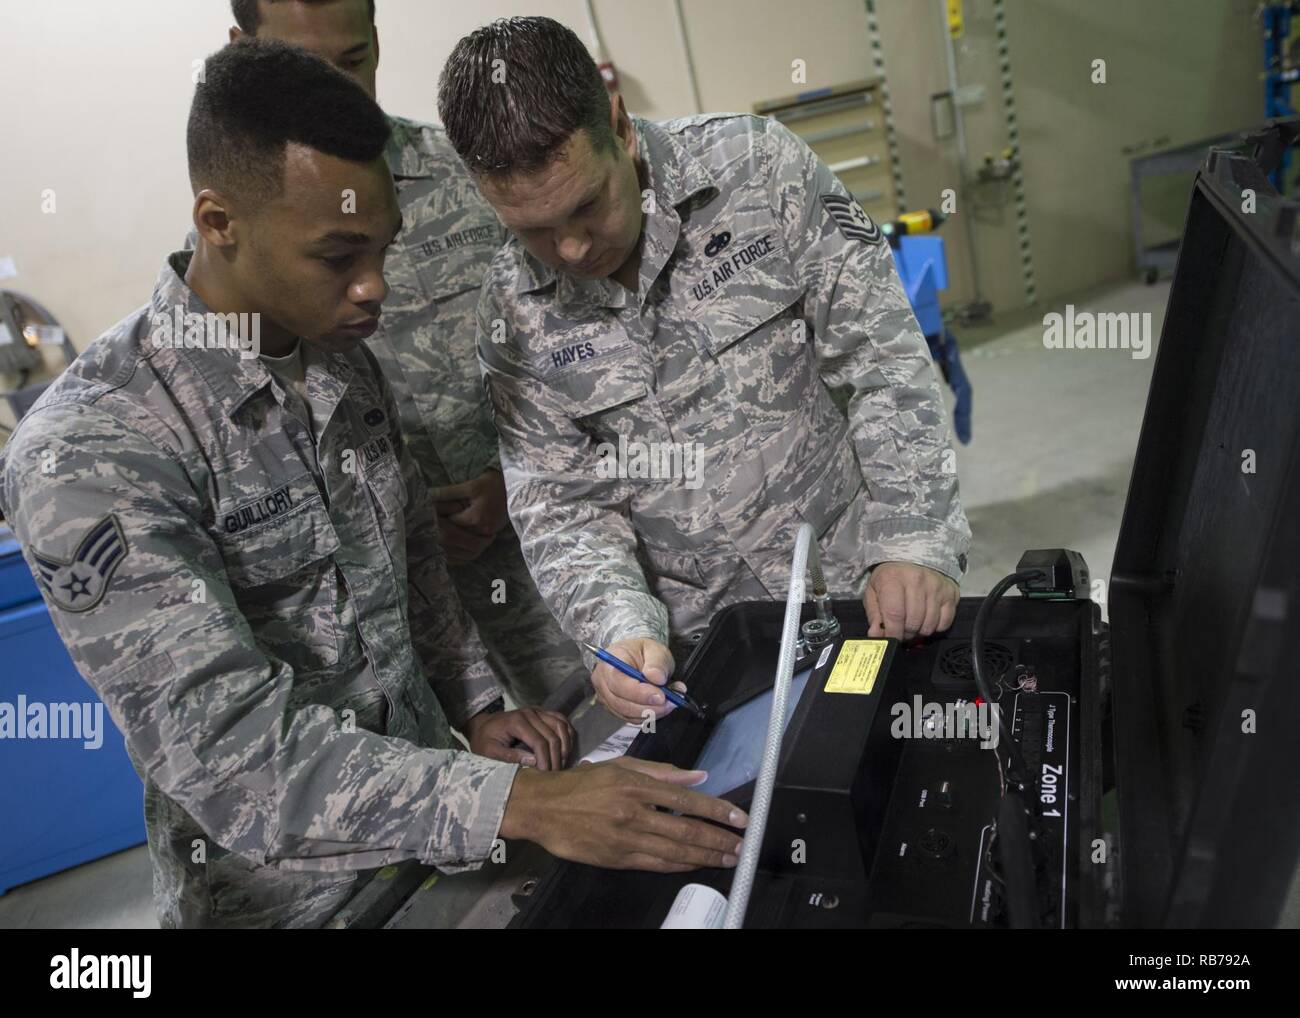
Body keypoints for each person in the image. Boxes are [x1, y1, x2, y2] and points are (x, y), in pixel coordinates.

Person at [0, 38, 746, 929]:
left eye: (383, 252)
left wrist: (472, 706)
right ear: (218, 220)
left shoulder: (340, 367)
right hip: (289, 905)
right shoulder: (94, 449)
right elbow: (235, 759)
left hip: (435, 857)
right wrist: (523, 805)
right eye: (337, 256)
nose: (373, 290)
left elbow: (414, 562)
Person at [437, 17, 973, 723]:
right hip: (708, 655)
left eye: (585, 205)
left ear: (619, 127)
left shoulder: (754, 169)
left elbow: (880, 355)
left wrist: (911, 537)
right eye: (530, 228)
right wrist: (618, 629)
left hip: (866, 589)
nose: (568, 248)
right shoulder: (512, 312)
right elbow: (560, 504)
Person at [223, 0, 585, 706]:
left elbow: (585, 345)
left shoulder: (472, 174)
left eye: (354, 60)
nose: (337, 90)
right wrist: (397, 521)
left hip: (564, 559)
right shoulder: (241, 247)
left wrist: (524, 477)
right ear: (245, 51)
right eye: (305, 67)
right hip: (397, 639)